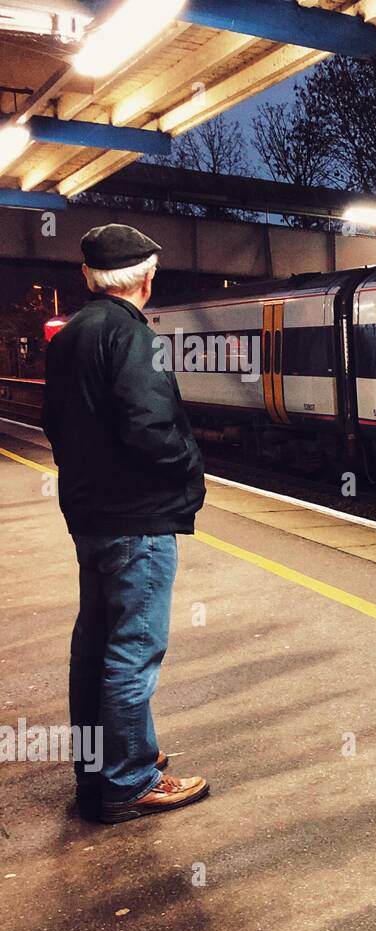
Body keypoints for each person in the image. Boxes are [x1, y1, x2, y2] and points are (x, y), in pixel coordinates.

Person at [41, 224, 210, 824]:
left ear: (87, 277)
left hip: (90, 517)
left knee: (96, 647)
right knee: (133, 649)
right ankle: (129, 782)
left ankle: (101, 769)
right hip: (136, 519)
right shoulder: (135, 337)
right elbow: (150, 427)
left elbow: (55, 426)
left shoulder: (70, 336)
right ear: (146, 278)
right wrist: (190, 468)